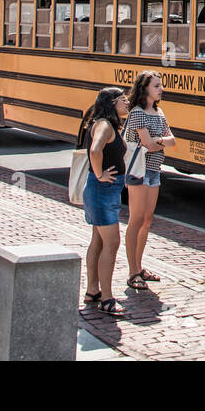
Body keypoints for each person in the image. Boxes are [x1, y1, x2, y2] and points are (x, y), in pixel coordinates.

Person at [122, 71, 175, 291]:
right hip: (139, 171)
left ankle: (140, 266)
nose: (161, 89)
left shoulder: (158, 112)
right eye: (156, 86)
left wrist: (158, 141)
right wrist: (160, 142)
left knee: (147, 220)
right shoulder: (137, 113)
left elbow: (172, 141)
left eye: (160, 85)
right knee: (136, 220)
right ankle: (132, 272)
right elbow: (148, 144)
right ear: (144, 89)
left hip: (154, 170)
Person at [82, 87, 129, 317]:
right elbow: (95, 149)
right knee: (112, 243)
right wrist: (100, 174)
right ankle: (107, 298)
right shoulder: (104, 125)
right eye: (123, 99)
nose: (127, 102)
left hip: (103, 190)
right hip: (103, 191)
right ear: (112, 103)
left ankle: (93, 291)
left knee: (98, 242)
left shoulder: (105, 124)